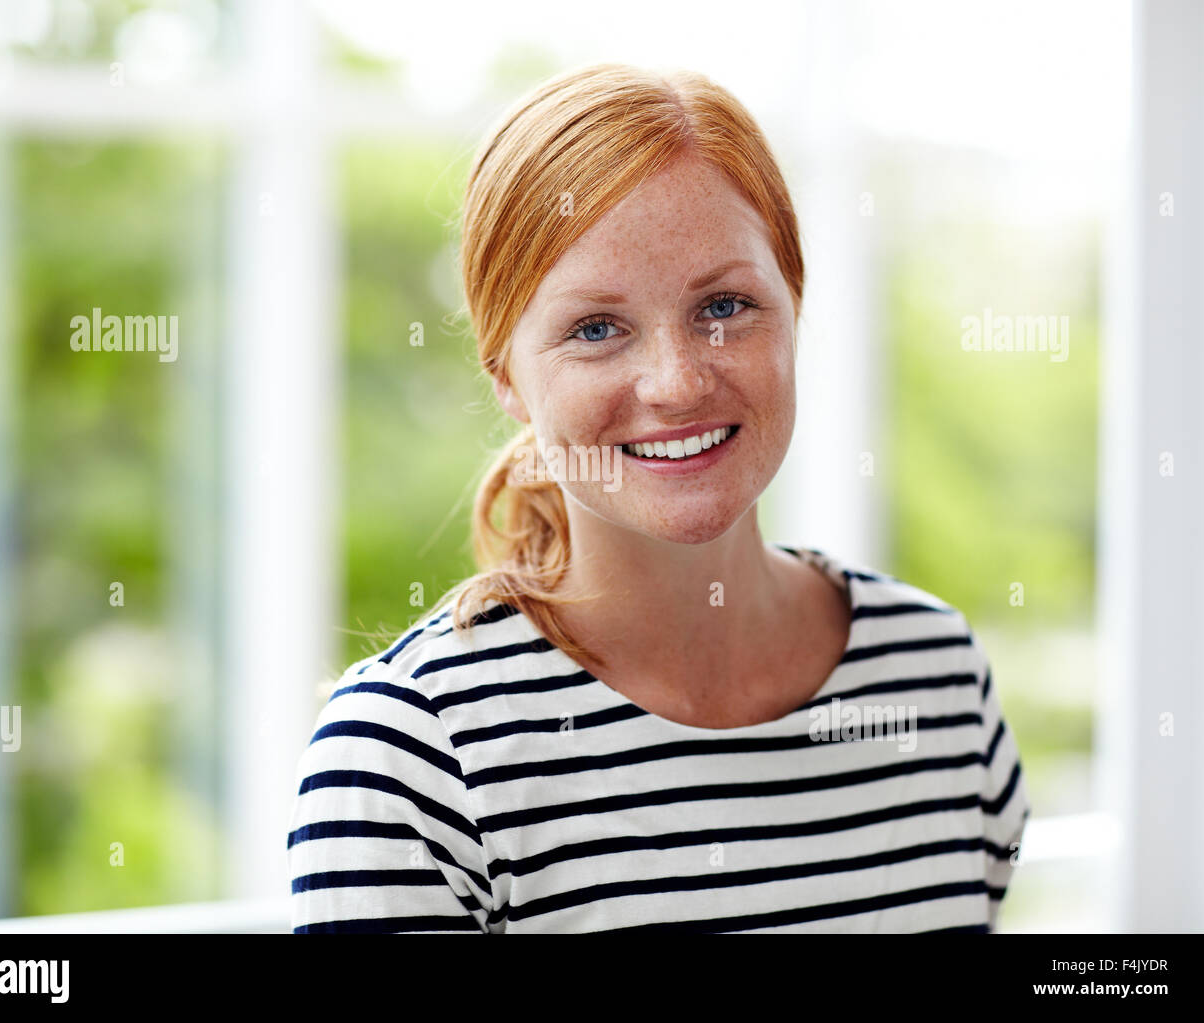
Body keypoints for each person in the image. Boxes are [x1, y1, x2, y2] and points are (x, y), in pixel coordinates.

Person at [287, 62, 1030, 933]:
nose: (677, 383)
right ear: (509, 380)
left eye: (724, 305)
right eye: (595, 329)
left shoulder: (935, 676)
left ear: (795, 310)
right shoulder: (410, 761)